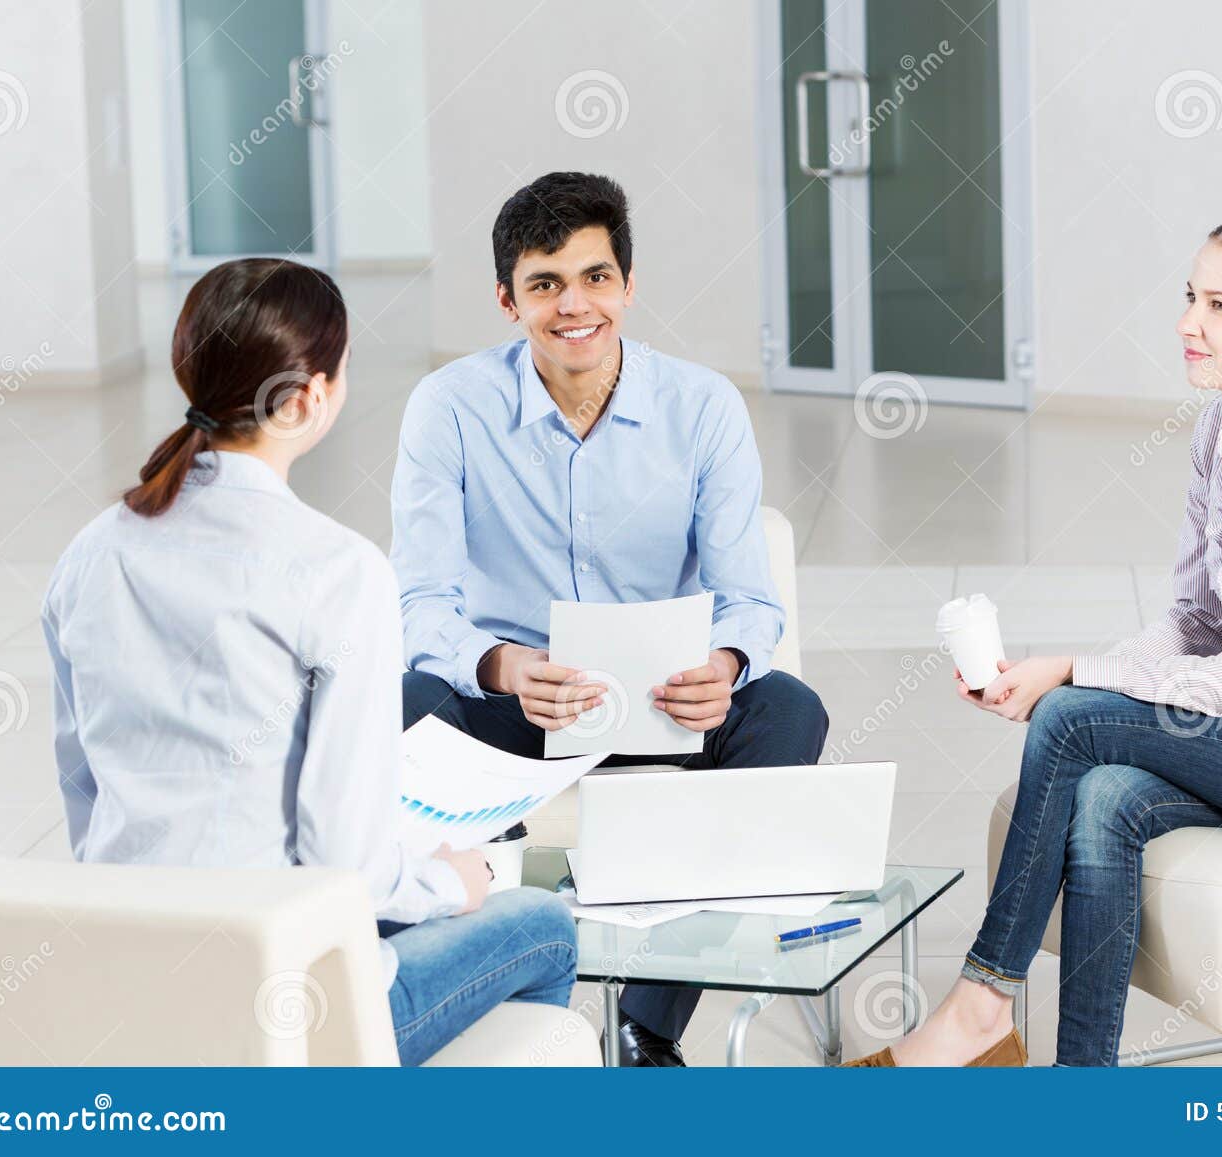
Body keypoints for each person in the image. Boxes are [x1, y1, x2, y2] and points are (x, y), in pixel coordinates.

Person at [845, 214, 1222, 1068]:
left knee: (1071, 719)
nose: (1187, 323)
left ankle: (978, 1011)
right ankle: (1085, 1081)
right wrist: (1086, 669)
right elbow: (1198, 619)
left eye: (1218, 305)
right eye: (1188, 298)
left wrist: (1073, 674)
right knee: (1104, 797)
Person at [42, 258, 577, 1067]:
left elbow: (81, 784)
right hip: (295, 1012)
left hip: (137, 985)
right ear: (307, 397)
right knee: (542, 921)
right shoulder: (339, 570)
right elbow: (344, 866)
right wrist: (453, 882)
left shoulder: (90, 552)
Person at [391, 171, 829, 1066]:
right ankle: (482, 971)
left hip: (666, 704)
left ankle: (647, 1023)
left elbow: (750, 596)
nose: (573, 305)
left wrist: (727, 664)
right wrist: (505, 666)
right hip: (522, 706)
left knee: (791, 708)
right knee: (402, 705)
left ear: (629, 286)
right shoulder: (450, 408)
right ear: (507, 300)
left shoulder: (703, 407)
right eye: (544, 284)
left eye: (594, 278)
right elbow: (422, 603)